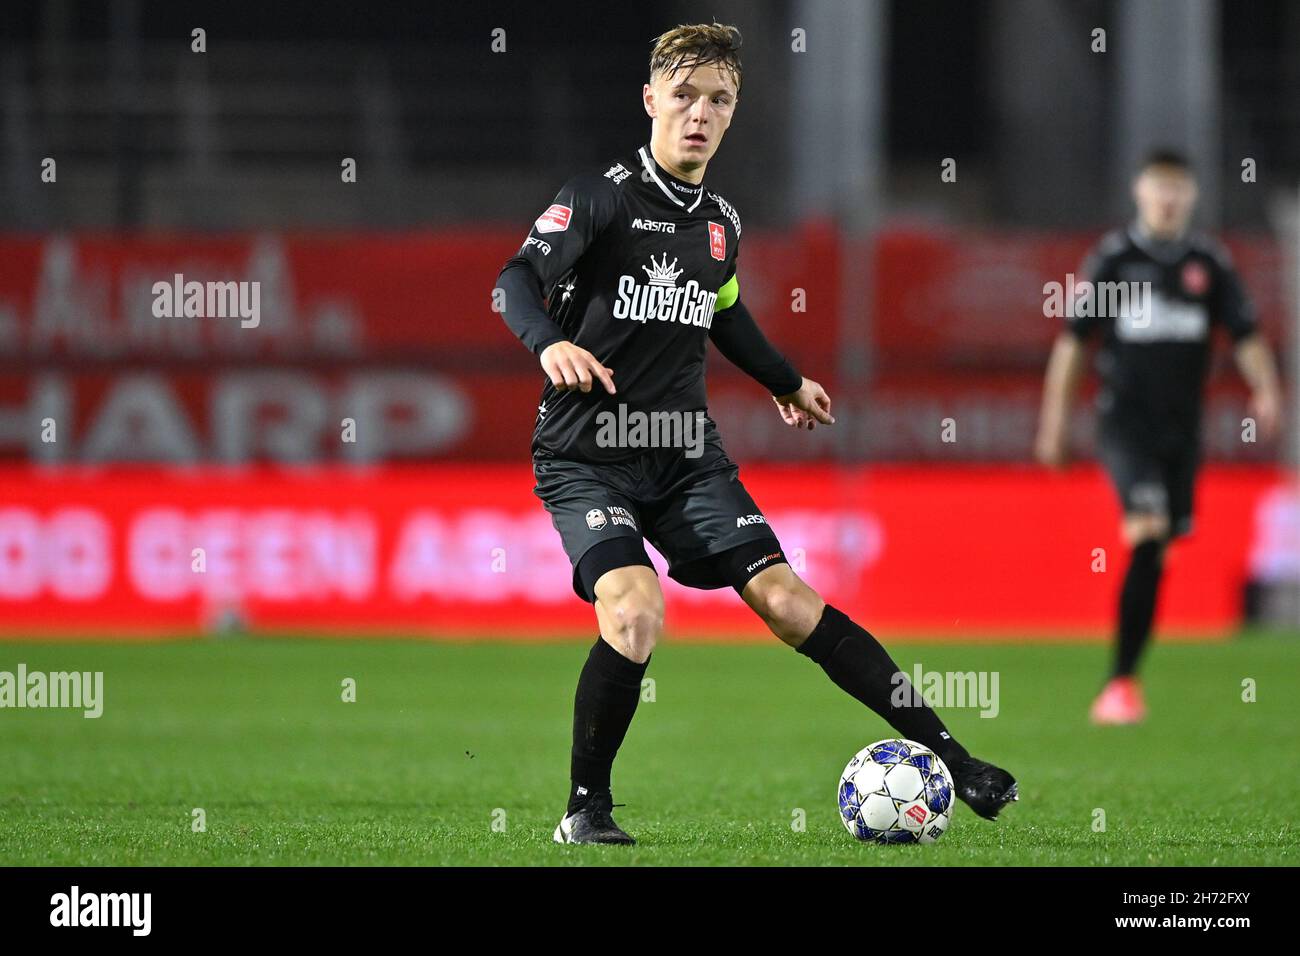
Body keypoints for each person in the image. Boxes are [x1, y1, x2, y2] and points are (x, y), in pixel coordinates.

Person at [496, 22, 1017, 844]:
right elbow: (515, 278)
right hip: (586, 459)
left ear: (732, 114)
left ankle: (955, 757)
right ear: (649, 100)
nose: (699, 113)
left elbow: (726, 313)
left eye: (719, 100)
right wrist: (550, 341)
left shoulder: (720, 225)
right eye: (684, 96)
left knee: (788, 603)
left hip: (685, 457)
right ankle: (584, 811)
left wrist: (785, 380)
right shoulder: (598, 196)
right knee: (633, 616)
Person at [1035, 148, 1282, 725]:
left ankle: (1126, 677)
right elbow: (1074, 342)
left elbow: (1245, 332)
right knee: (1146, 533)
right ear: (1139, 192)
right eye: (1158, 187)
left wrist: (1266, 391)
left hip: (1182, 433)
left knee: (1160, 549)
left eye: (1178, 188)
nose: (1168, 198)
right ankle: (1119, 685)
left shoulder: (1207, 261)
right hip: (1125, 423)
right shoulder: (1116, 259)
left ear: (1191, 196)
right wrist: (1055, 422)